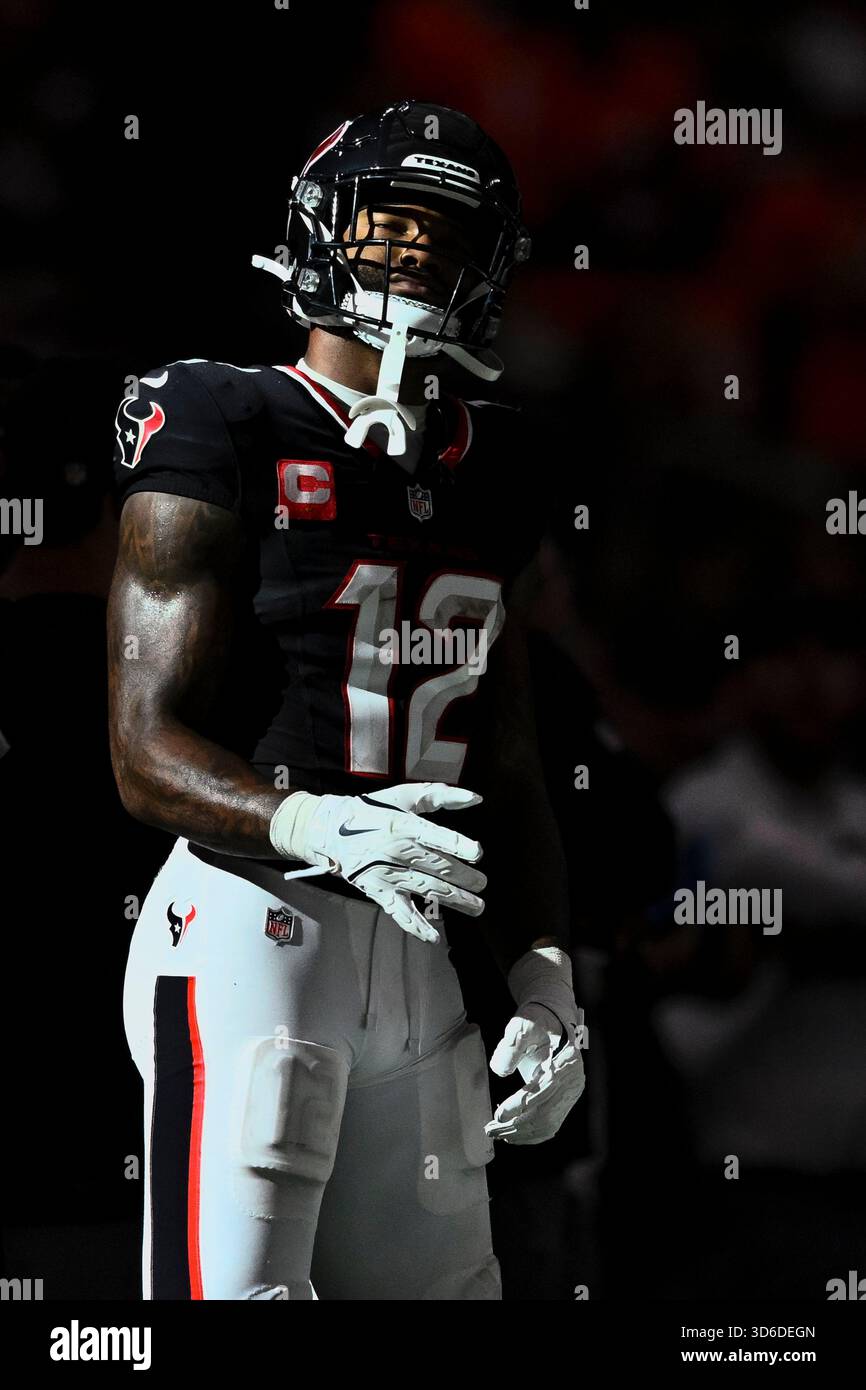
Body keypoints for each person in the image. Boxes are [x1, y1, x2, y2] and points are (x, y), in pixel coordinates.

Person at [108, 99, 585, 1301]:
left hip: (420, 952)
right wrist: (311, 820)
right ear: (322, 228)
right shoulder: (222, 415)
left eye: (445, 230)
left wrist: (539, 971)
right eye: (390, 221)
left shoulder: (504, 459)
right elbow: (140, 745)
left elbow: (511, 756)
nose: (416, 251)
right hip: (249, 927)